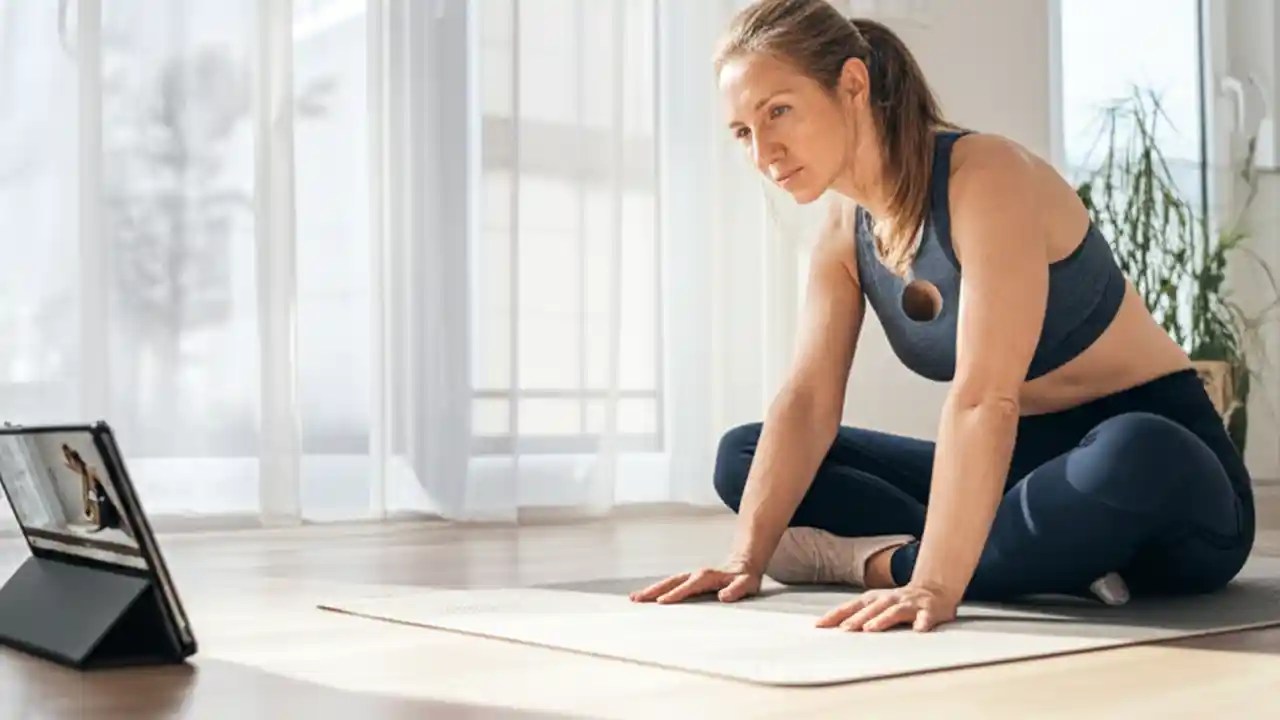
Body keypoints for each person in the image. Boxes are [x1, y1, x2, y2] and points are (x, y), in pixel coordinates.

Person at [629, 0, 1254, 633]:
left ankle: (880, 565)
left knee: (1135, 451)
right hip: (1021, 476)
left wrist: (933, 581)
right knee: (744, 453)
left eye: (778, 111)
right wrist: (746, 558)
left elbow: (985, 399)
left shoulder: (984, 177)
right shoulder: (844, 232)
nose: (764, 151)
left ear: (851, 84)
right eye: (742, 132)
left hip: (1163, 480)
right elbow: (809, 399)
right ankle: (1043, 561)